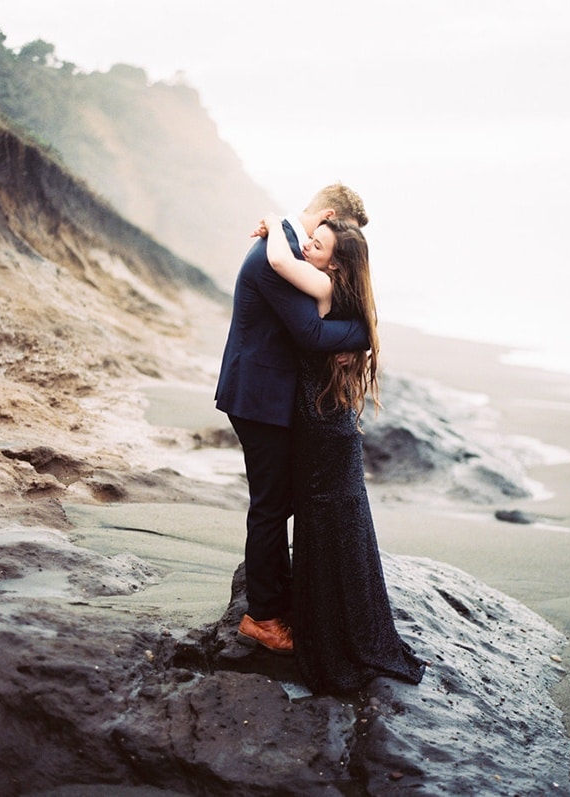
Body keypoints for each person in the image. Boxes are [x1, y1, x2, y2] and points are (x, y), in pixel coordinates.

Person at [256, 212, 427, 693]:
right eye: (310, 241)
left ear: (336, 267)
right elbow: (365, 322)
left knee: (322, 521)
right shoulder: (351, 301)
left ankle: (329, 636)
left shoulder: (321, 286)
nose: (306, 247)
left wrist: (273, 220)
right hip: (334, 424)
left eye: (318, 245)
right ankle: (356, 625)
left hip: (319, 424)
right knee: (344, 520)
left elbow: (275, 257)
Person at [215, 184, 370, 655]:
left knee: (278, 500)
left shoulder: (284, 242)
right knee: (269, 504)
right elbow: (308, 331)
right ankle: (260, 617)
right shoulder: (276, 253)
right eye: (338, 236)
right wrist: (364, 331)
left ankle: (275, 600)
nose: (335, 252)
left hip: (264, 394)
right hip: (258, 397)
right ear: (327, 216)